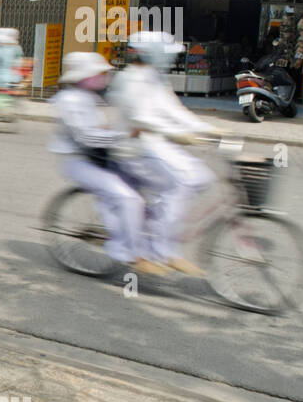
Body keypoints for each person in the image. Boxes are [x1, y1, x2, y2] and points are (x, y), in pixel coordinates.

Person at [107, 30, 219, 276]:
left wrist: (208, 128)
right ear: (153, 54)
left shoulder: (156, 79)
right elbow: (140, 117)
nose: (172, 60)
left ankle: (156, 232)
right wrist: (174, 134)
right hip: (132, 151)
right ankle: (161, 252)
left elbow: (175, 111)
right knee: (178, 185)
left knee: (201, 177)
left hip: (154, 146)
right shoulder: (130, 79)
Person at [50, 51, 164, 275]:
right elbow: (86, 137)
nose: (103, 77)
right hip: (79, 162)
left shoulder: (90, 97)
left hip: (100, 157)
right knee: (128, 198)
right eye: (99, 73)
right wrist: (124, 135)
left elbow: (101, 130)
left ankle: (151, 245)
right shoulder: (69, 100)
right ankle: (131, 253)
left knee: (152, 190)